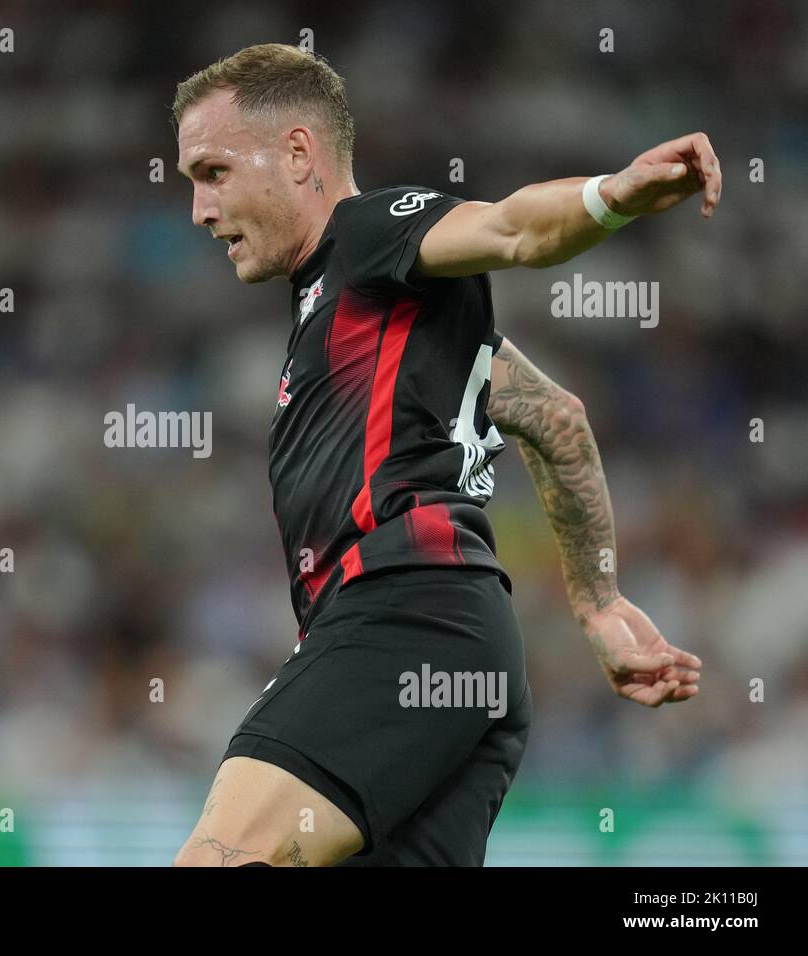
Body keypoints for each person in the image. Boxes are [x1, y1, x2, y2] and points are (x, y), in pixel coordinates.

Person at [169, 42, 714, 867]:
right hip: (467, 654)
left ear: (298, 153)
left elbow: (511, 228)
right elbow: (555, 418)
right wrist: (599, 604)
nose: (200, 210)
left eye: (213, 172)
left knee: (222, 857)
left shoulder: (365, 234)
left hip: (403, 614)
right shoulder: (383, 319)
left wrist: (610, 197)